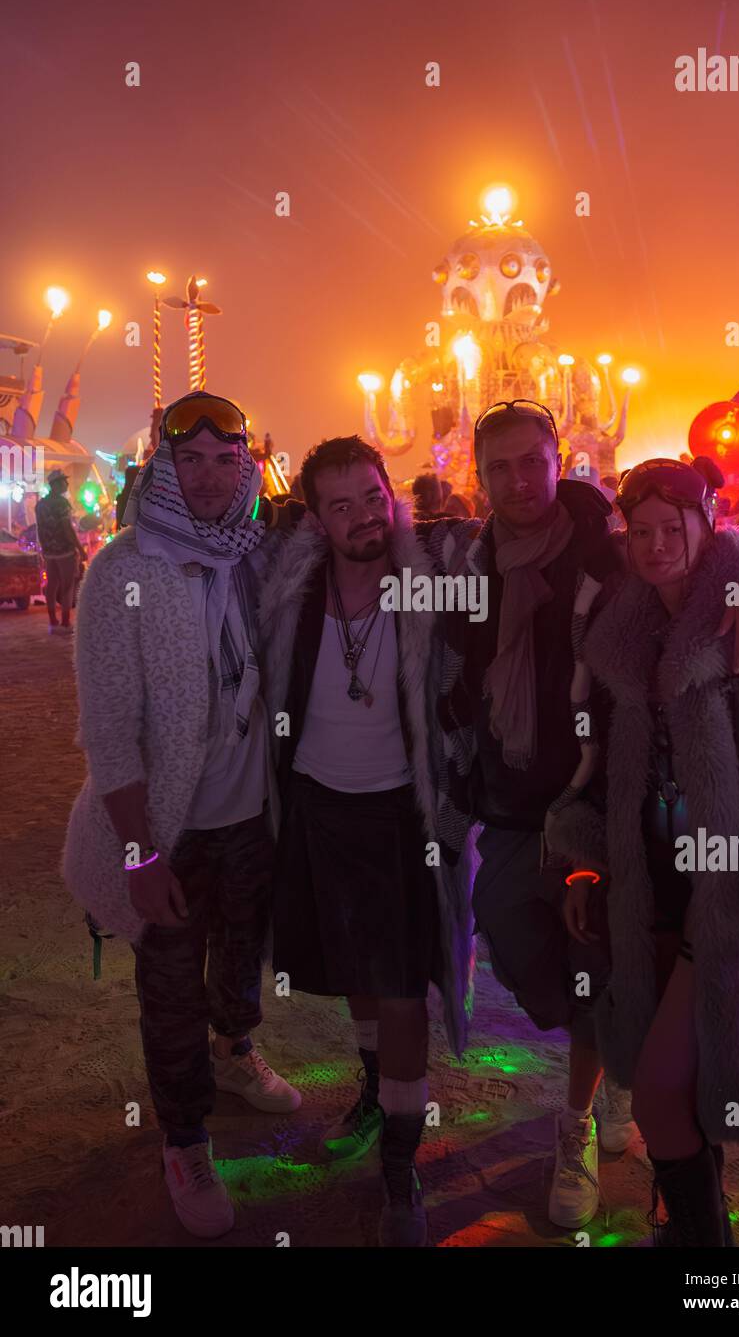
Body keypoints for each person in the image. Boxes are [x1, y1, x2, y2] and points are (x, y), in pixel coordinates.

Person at [421, 403, 739, 1232]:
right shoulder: (469, 560)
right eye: (499, 468)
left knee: (604, 963)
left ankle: (583, 1121)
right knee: (515, 937)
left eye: (532, 462)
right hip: (518, 807)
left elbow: (702, 573)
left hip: (606, 811)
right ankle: (621, 1070)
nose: (519, 481)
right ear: (477, 478)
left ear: (559, 461)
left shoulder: (610, 549)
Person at [546, 457, 739, 1246]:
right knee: (681, 1090)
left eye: (670, 529)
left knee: (654, 1096)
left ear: (705, 526)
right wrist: (584, 862)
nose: (654, 546)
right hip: (648, 886)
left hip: (727, 896)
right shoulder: (625, 627)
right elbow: (604, 765)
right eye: (639, 531)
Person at [62, 391, 301, 1241]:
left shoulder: (263, 557)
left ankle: (234, 1051)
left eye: (223, 462)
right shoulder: (123, 571)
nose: (206, 479)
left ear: (244, 467)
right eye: (189, 461)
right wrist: (139, 853)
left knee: (243, 951)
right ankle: (183, 1135)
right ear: (166, 465)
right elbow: (109, 734)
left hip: (251, 814)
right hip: (166, 827)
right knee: (168, 981)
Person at [256, 436, 472, 1247]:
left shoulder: (441, 573)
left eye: (371, 497)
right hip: (315, 806)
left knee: (405, 989)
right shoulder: (292, 583)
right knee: (356, 967)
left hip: (402, 818)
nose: (361, 517)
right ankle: (377, 1088)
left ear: (394, 494)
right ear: (316, 518)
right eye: (339, 505)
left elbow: (568, 528)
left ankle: (399, 1164)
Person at [35, 468, 86, 633]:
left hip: (49, 551)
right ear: (56, 485)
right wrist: (80, 548)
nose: (67, 483)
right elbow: (67, 529)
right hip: (64, 550)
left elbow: (40, 529)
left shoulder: (40, 504)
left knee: (52, 585)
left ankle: (52, 621)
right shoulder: (62, 503)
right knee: (67, 585)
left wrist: (43, 548)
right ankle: (65, 622)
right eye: (64, 481)